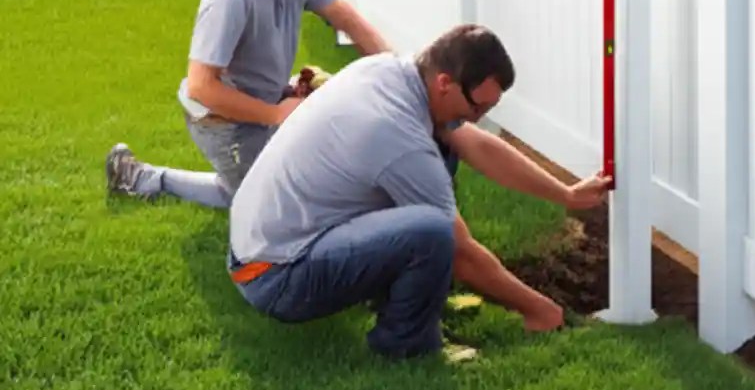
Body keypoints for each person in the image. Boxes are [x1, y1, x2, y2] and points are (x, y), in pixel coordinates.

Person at [225, 24, 612, 361]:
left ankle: (407, 296)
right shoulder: (397, 134)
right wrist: (540, 310)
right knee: (432, 232)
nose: (477, 118)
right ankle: (406, 344)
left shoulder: (391, 74)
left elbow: (475, 144)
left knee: (444, 152)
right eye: (477, 107)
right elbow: (461, 252)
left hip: (262, 247)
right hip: (278, 276)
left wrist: (566, 194)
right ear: (445, 83)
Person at [105, 0, 392, 208]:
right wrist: (276, 113)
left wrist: (400, 73)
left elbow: (349, 20)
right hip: (223, 122)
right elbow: (201, 86)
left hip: (264, 99)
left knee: (305, 171)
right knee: (270, 204)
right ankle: (138, 176)